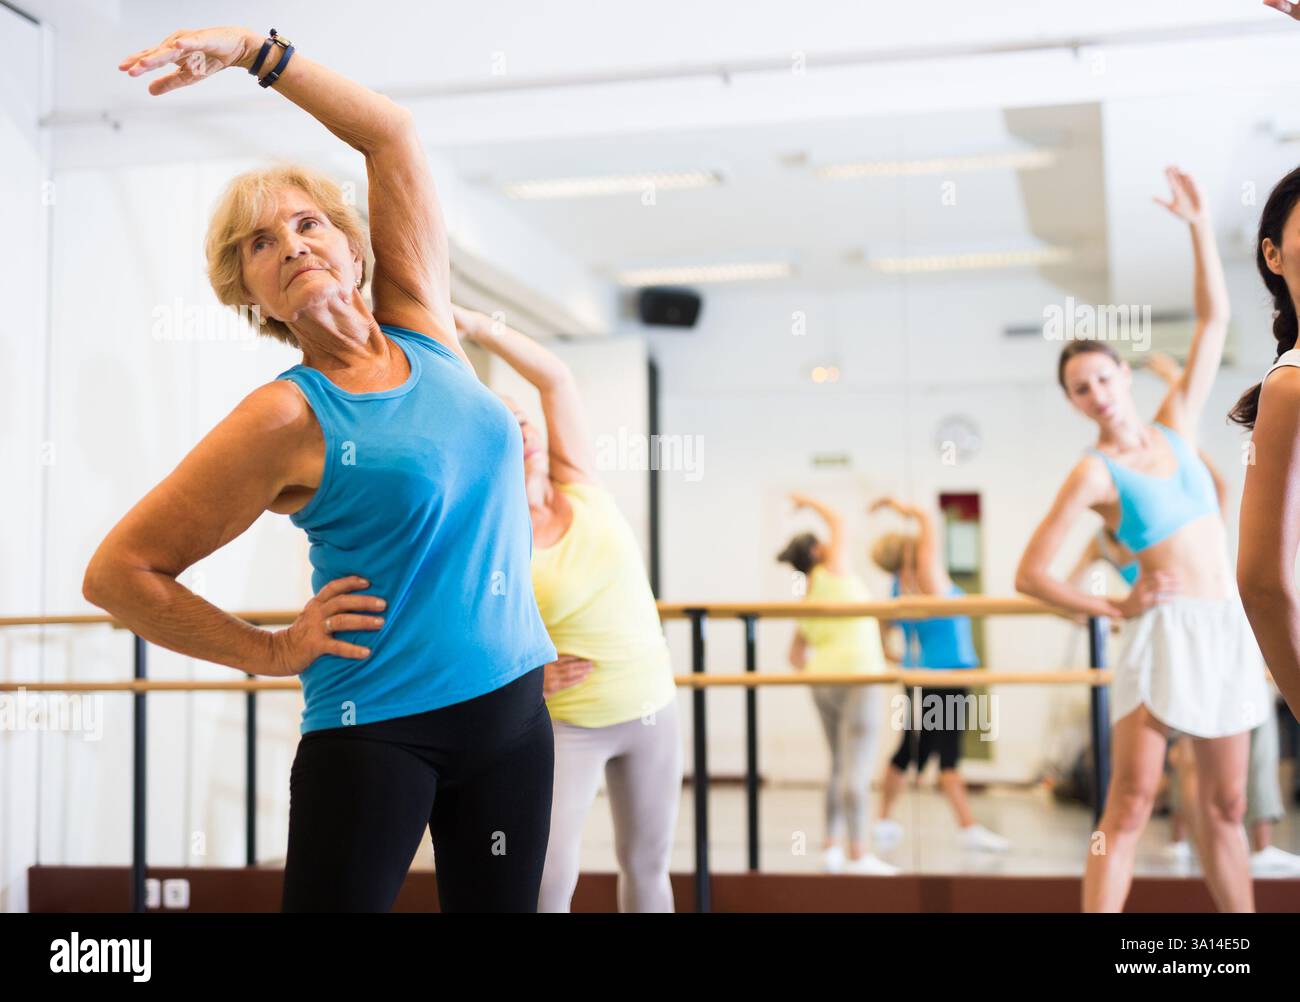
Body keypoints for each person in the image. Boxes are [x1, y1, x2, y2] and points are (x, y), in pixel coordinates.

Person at [84, 26, 557, 912]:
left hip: (513, 717)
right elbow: (119, 573)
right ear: (250, 292)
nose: (293, 245)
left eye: (308, 224)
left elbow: (392, 137)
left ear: (350, 245)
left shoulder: (424, 322)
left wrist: (252, 53)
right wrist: (268, 651)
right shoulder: (285, 415)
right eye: (262, 244)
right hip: (375, 728)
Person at [1016, 168, 1269, 913]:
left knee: (1224, 810)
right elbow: (1030, 573)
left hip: (1225, 629)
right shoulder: (1093, 473)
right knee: (1128, 806)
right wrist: (1115, 607)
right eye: (1080, 389)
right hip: (1159, 632)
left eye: (1102, 378)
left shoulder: (1177, 425)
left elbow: (1214, 320)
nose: (1097, 394)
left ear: (1123, 375)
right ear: (1072, 403)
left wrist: (1197, 224)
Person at [453, 306, 681, 913]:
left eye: (523, 416)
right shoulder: (492, 529)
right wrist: (528, 675)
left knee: (648, 866)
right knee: (549, 880)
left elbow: (555, 378)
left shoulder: (580, 483)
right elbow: (465, 627)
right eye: (505, 421)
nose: (523, 426)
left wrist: (474, 326)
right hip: (568, 721)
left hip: (653, 705)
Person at [868, 497, 1009, 853]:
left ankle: (884, 821)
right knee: (946, 756)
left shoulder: (899, 587)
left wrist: (893, 655)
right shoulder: (928, 575)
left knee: (912, 750)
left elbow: (881, 626)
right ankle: (968, 828)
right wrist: (897, 506)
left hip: (923, 676)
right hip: (946, 677)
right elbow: (927, 519)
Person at [777, 493, 898, 875]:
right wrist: (805, 499)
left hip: (822, 682)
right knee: (856, 769)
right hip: (859, 677)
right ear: (817, 550)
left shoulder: (808, 593)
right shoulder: (835, 571)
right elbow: (841, 520)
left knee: (838, 765)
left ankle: (831, 846)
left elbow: (795, 656)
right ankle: (859, 854)